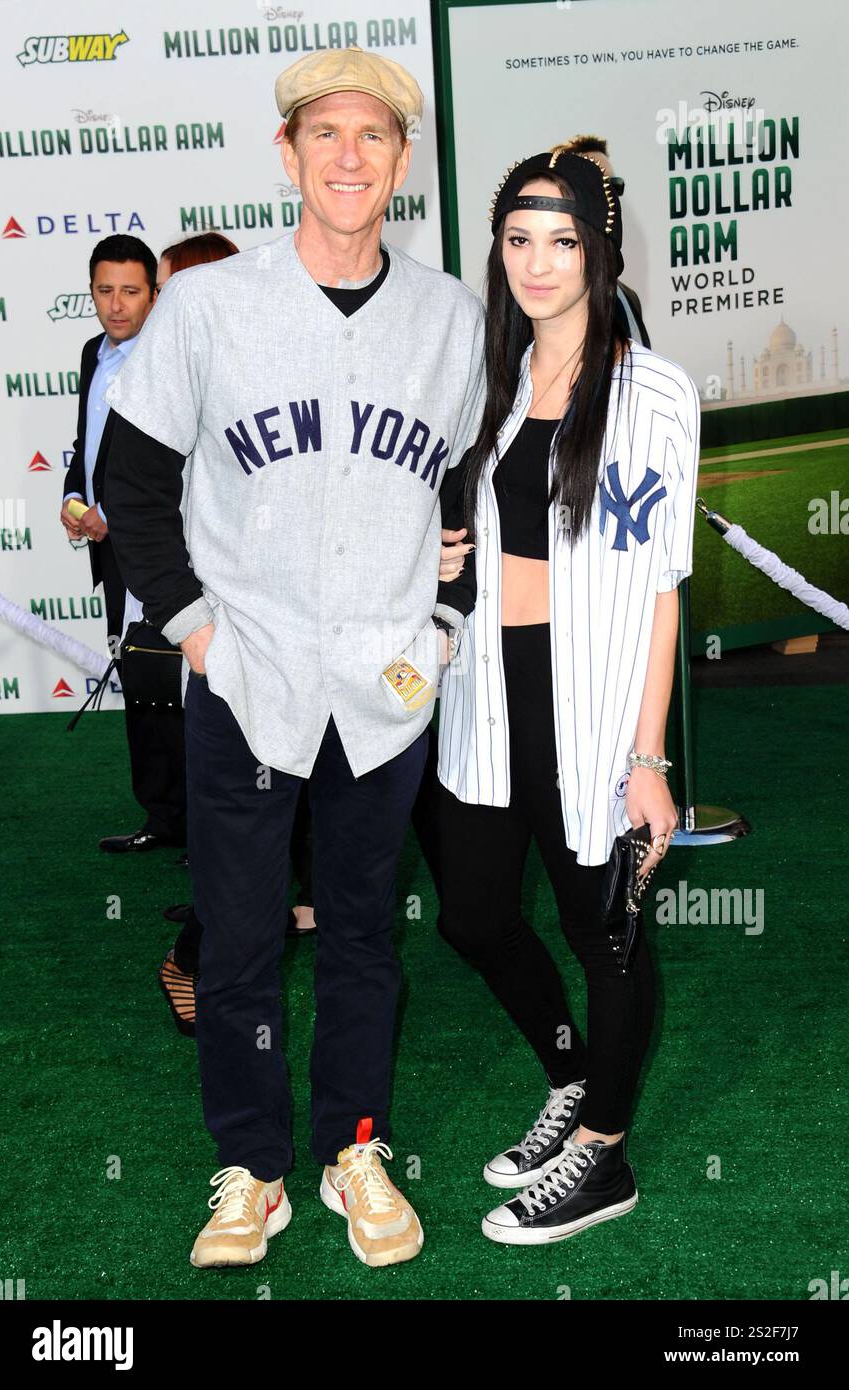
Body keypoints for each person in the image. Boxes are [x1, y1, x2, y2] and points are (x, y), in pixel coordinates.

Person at [103, 45, 484, 1269]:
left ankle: (353, 1147)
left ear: (402, 161)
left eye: (373, 135)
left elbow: (474, 487)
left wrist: (444, 623)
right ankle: (254, 1170)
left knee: (368, 928)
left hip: (383, 685)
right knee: (241, 928)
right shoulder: (210, 306)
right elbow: (133, 480)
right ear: (288, 153)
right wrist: (195, 628)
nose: (351, 157)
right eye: (326, 133)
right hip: (250, 675)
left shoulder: (450, 319)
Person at [436, 146, 699, 1244]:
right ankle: (571, 1081)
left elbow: (658, 592)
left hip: (587, 702)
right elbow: (472, 532)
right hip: (482, 692)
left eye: (562, 240)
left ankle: (606, 1153)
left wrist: (649, 761)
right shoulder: (481, 377)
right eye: (517, 239)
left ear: (598, 250)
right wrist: (444, 559)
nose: (538, 263)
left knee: (609, 937)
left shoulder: (652, 392)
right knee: (473, 915)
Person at [60, 235, 188, 854]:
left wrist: (118, 514)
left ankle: (202, 824)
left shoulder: (171, 359)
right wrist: (73, 498)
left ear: (154, 294)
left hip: (162, 548)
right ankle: (162, 817)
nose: (116, 305)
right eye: (104, 290)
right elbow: (88, 448)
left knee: (181, 681)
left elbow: (178, 465)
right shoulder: (92, 352)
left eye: (131, 291)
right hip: (111, 549)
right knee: (141, 680)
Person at [555, 134, 651, 348]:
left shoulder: (627, 298)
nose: (609, 197)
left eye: (614, 187)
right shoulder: (545, 297)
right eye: (598, 184)